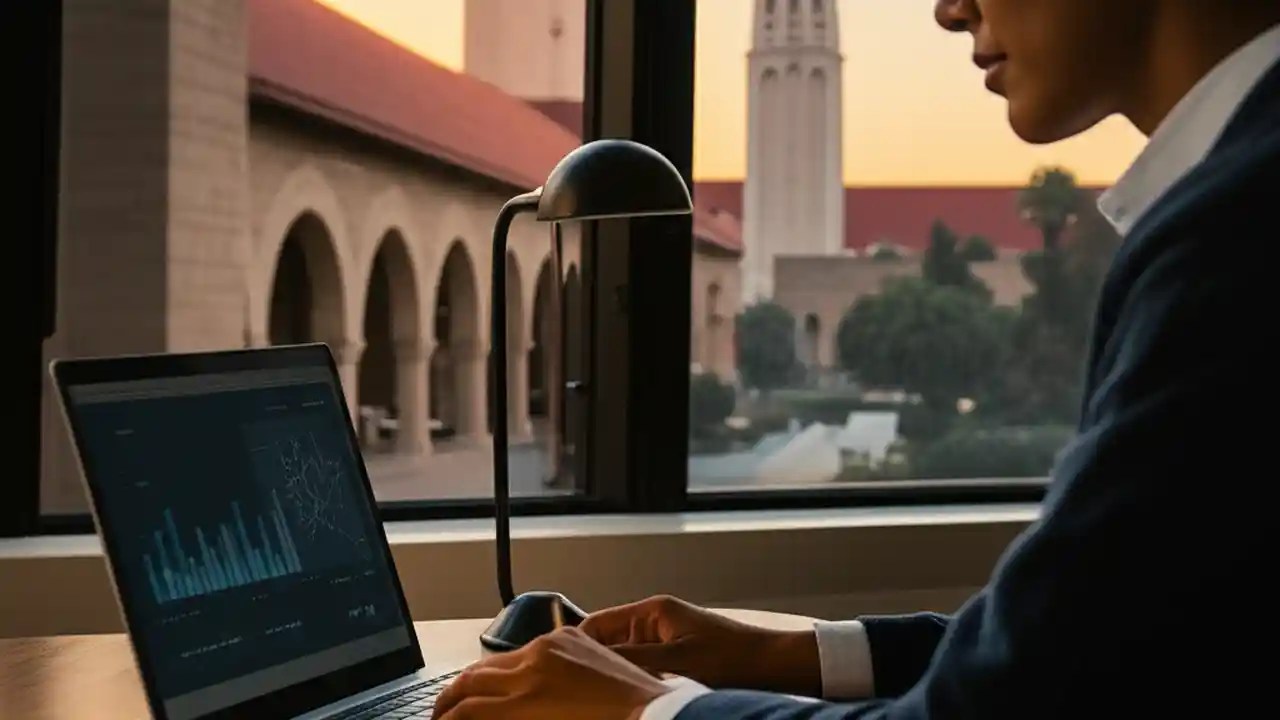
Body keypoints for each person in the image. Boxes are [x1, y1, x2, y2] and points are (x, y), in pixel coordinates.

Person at [433, 1, 1280, 717]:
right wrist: (782, 653)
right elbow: (1097, 637)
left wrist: (647, 709)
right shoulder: (1232, 193)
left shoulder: (1236, 232)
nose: (949, 8)